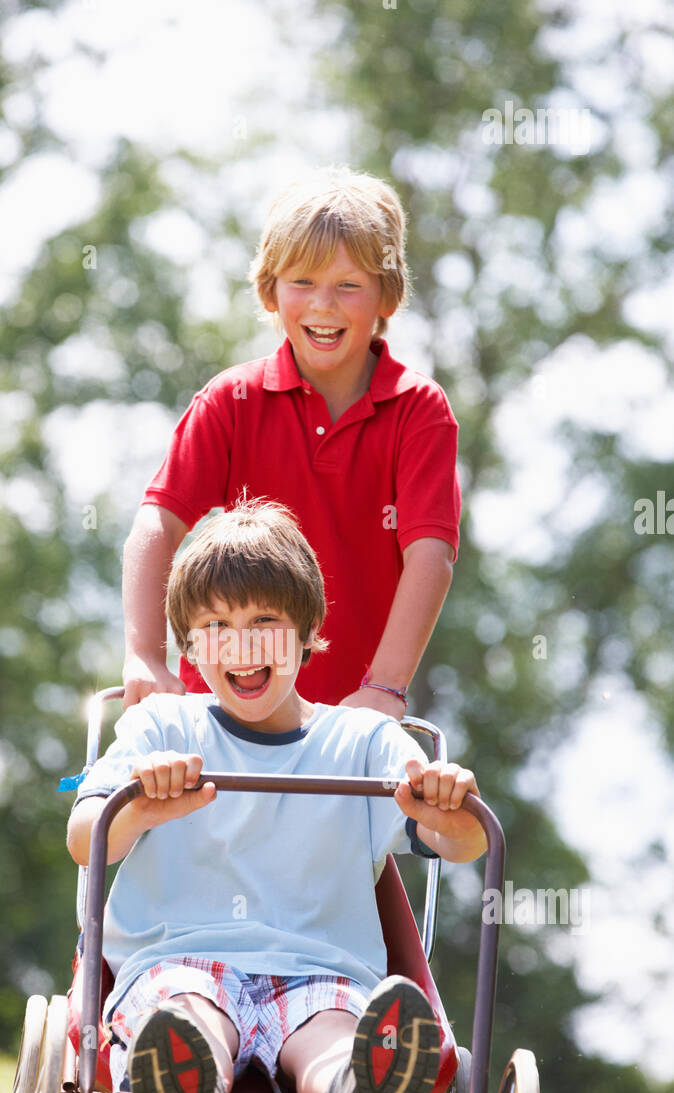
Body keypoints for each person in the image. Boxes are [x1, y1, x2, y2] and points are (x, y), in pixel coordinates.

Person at [67, 500, 485, 1093]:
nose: (244, 646)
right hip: (180, 960)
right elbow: (87, 840)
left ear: (306, 635)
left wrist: (449, 803)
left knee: (331, 1035)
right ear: (190, 648)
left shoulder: (362, 743)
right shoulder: (159, 726)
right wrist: (139, 803)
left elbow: (462, 843)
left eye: (265, 623)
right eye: (217, 628)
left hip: (319, 970)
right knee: (189, 1010)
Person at [121, 166, 460, 722]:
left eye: (348, 284)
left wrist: (386, 689)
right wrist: (144, 657)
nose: (323, 305)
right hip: (220, 714)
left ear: (386, 297)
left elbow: (430, 555)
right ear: (271, 291)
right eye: (302, 281)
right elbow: (156, 525)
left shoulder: (418, 410)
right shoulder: (232, 400)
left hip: (347, 723)